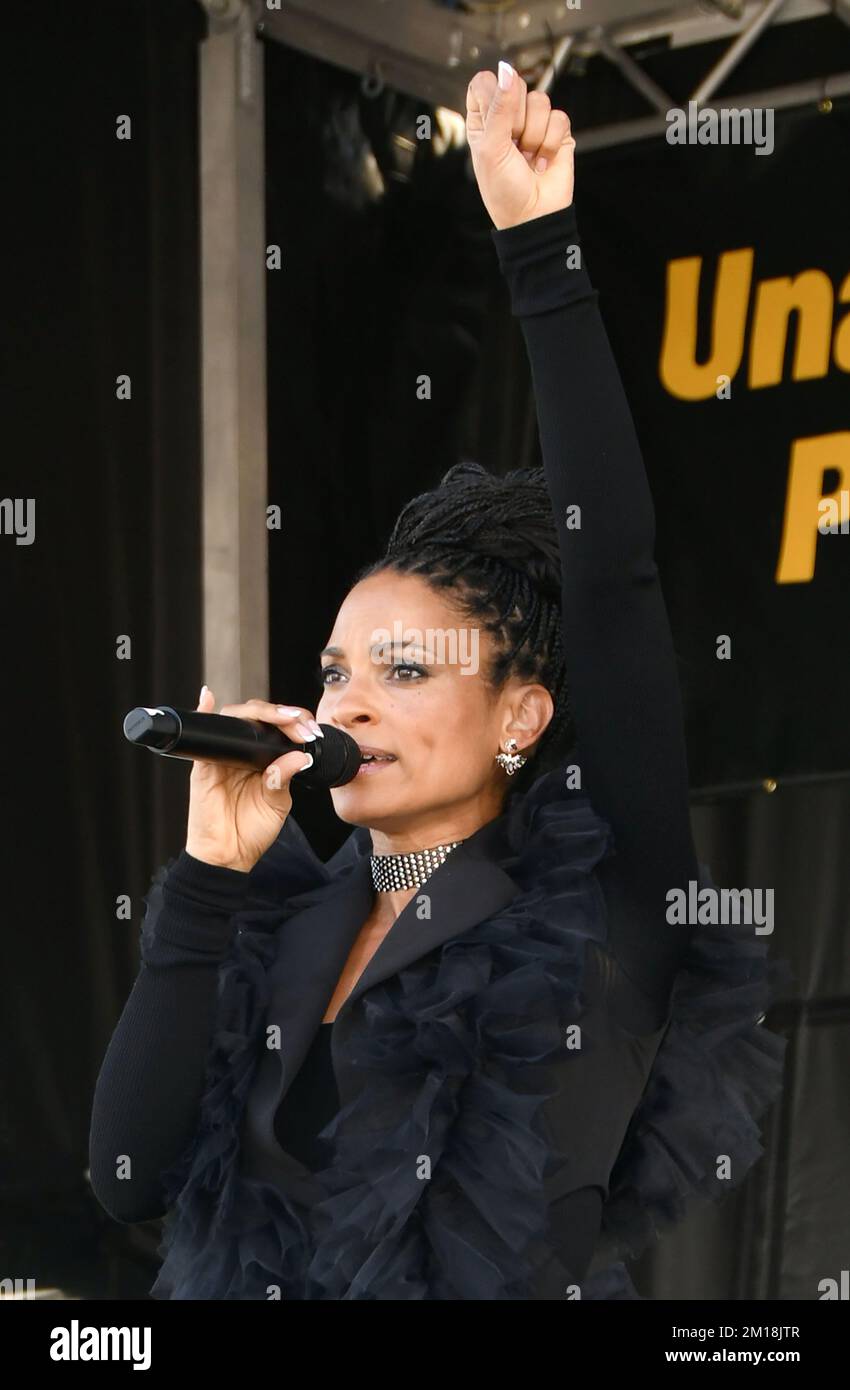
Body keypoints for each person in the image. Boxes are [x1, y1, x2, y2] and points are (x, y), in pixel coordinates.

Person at [89, 63, 788, 1300]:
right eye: (333, 672)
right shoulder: (286, 920)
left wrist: (538, 250)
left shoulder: (606, 900)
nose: (347, 702)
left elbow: (614, 577)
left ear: (521, 715)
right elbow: (130, 1178)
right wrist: (204, 884)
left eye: (404, 669)